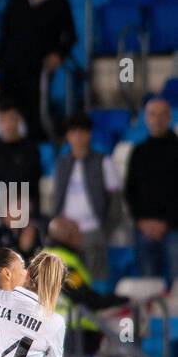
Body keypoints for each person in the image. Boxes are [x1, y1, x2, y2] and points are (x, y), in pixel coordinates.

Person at [0, 0, 75, 142]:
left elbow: (70, 36)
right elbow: (5, 31)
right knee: (6, 105)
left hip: (37, 67)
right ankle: (4, 144)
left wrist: (59, 54)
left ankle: (34, 146)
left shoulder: (59, 3)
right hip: (10, 65)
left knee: (33, 111)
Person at [50, 113, 119, 281]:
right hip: (67, 233)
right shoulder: (61, 163)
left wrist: (105, 230)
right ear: (68, 136)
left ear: (89, 134)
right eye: (73, 132)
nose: (78, 137)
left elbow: (115, 201)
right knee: (68, 282)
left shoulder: (103, 161)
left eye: (82, 132)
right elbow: (57, 196)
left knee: (96, 280)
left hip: (93, 230)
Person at [123, 97, 178, 286]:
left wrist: (167, 223)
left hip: (173, 229)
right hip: (144, 230)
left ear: (170, 117)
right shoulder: (139, 151)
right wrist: (141, 221)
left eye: (162, 115)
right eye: (153, 114)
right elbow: (130, 191)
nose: (157, 119)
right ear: (146, 119)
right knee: (148, 286)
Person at [0, 102, 42, 223]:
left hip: (25, 200)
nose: (8, 125)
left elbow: (31, 182)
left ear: (19, 120)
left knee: (17, 210)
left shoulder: (30, 149)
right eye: (4, 120)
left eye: (12, 119)